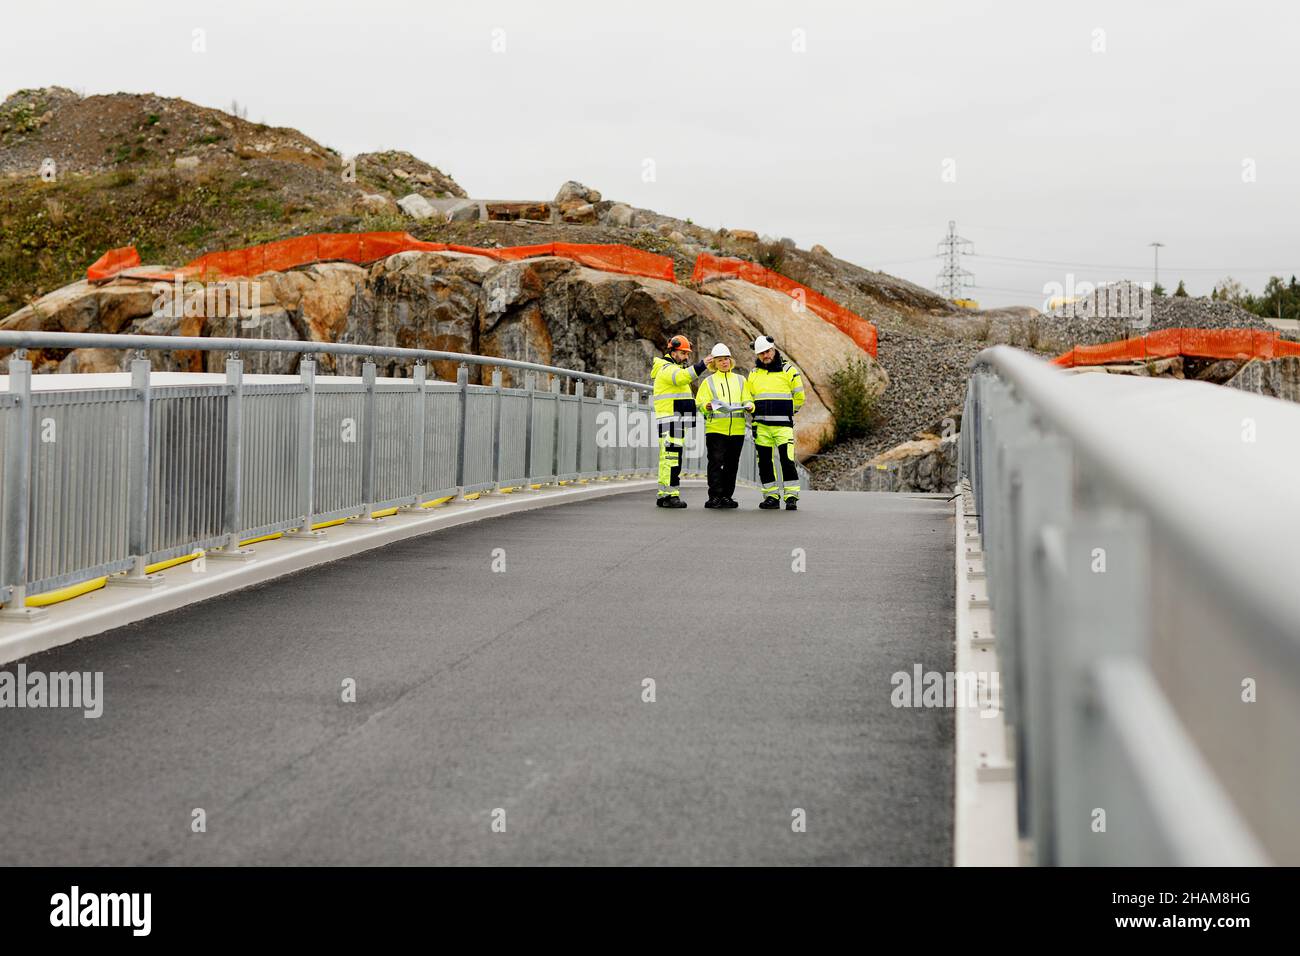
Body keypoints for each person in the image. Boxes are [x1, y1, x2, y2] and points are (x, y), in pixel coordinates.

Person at [741, 335, 804, 510]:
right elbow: (748, 396)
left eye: (767, 351)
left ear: (773, 349)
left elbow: (800, 396)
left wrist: (789, 412)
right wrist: (750, 406)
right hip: (761, 426)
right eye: (761, 353)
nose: (765, 355)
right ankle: (771, 497)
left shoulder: (789, 371)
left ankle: (791, 497)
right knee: (765, 462)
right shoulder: (753, 374)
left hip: (783, 426)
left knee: (787, 460)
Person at [650, 334, 707, 508]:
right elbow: (683, 377)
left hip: (676, 421)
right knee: (671, 458)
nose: (686, 357)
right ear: (673, 351)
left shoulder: (672, 368)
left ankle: (664, 494)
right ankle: (670, 495)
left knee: (669, 457)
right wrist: (703, 365)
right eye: (683, 353)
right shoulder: (667, 369)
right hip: (671, 421)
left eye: (687, 353)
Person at [695, 343, 747, 509]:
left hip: (737, 429)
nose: (724, 362)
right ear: (714, 363)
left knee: (732, 464)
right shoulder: (708, 382)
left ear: (730, 361)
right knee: (716, 463)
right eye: (720, 360)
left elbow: (747, 398)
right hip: (716, 429)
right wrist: (707, 406)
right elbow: (700, 402)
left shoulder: (741, 380)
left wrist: (749, 405)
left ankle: (727, 496)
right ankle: (715, 497)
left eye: (726, 359)